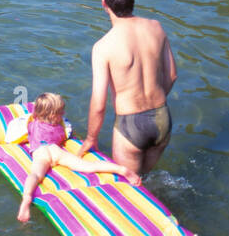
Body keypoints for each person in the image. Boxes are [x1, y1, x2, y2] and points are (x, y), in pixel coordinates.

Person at [77, 0, 178, 177]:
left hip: (131, 126)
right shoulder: (156, 27)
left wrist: (90, 138)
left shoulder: (103, 46)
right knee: (144, 182)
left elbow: (99, 104)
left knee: (127, 190)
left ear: (104, 3)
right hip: (162, 119)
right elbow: (172, 75)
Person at [16, 93, 139, 223]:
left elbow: (25, 132)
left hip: (40, 153)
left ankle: (27, 198)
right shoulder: (59, 128)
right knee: (88, 166)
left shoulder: (32, 124)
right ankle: (121, 170)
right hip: (56, 151)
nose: (63, 114)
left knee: (35, 175)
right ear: (53, 116)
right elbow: (62, 138)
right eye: (61, 113)